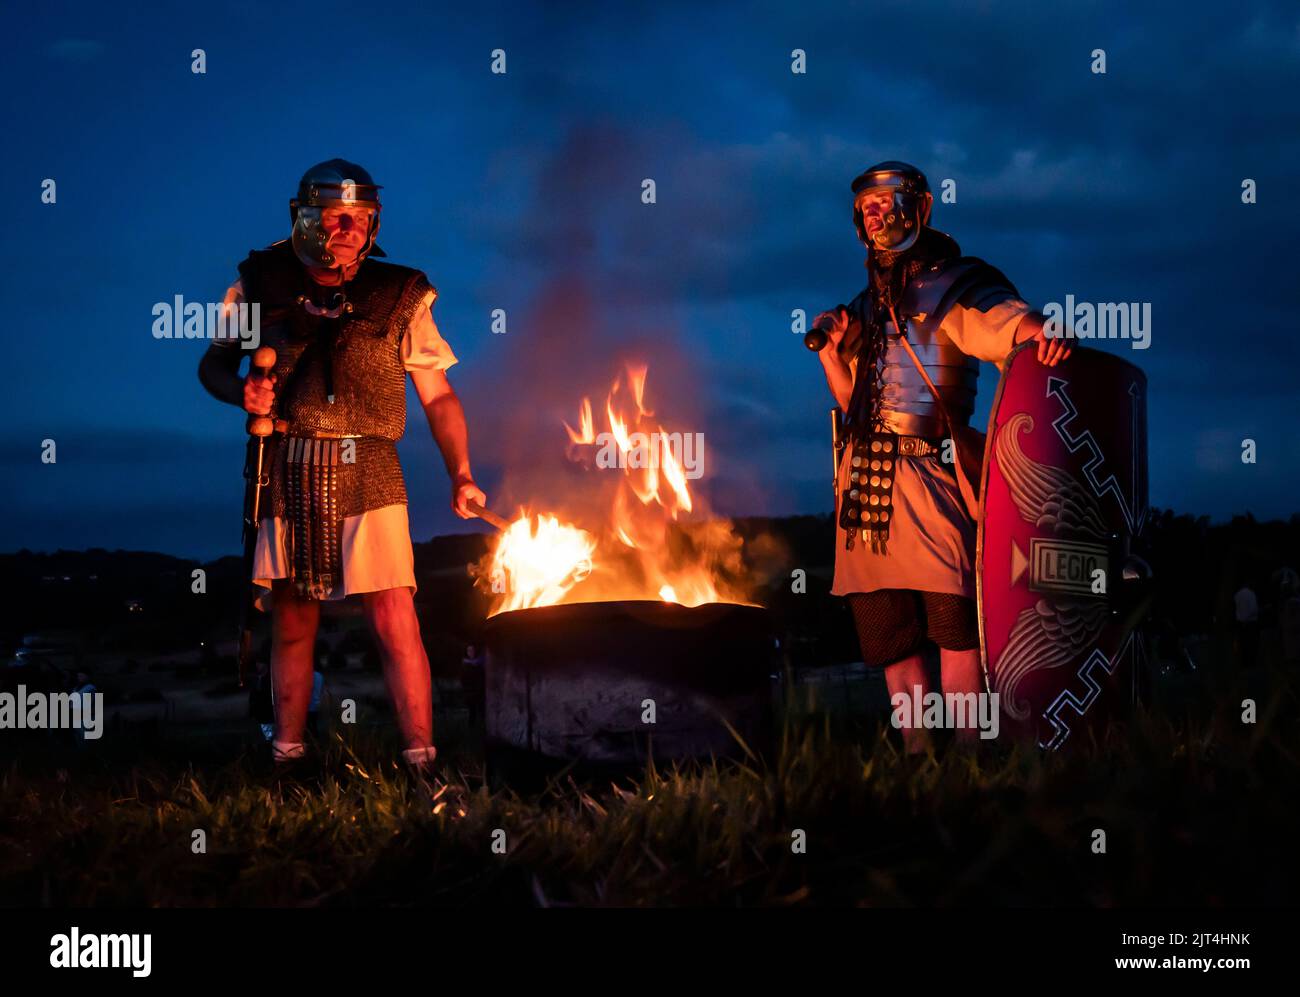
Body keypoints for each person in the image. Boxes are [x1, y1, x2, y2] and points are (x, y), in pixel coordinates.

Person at [199, 159, 487, 773]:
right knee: (295, 618)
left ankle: (420, 760)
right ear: (304, 217)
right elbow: (215, 365)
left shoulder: (400, 291)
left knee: (394, 613)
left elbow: (437, 395)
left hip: (372, 466)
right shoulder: (258, 284)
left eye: (361, 217)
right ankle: (289, 757)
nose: (349, 227)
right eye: (335, 215)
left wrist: (461, 472)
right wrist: (242, 393)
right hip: (290, 462)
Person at [814, 161, 1070, 751]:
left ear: (918, 205)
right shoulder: (864, 306)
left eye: (886, 201)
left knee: (960, 633)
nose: (875, 214)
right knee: (893, 643)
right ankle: (919, 765)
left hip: (932, 476)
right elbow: (858, 404)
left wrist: (1042, 334)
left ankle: (971, 762)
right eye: (866, 206)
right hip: (865, 492)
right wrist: (832, 356)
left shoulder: (954, 284)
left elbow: (1006, 324)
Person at [1233, 580, 1260, 669]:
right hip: (1250, 623)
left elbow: (1236, 608)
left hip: (1240, 623)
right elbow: (1253, 609)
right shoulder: (1251, 594)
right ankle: (1251, 663)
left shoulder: (1237, 595)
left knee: (1243, 643)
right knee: (1251, 643)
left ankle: (1243, 663)